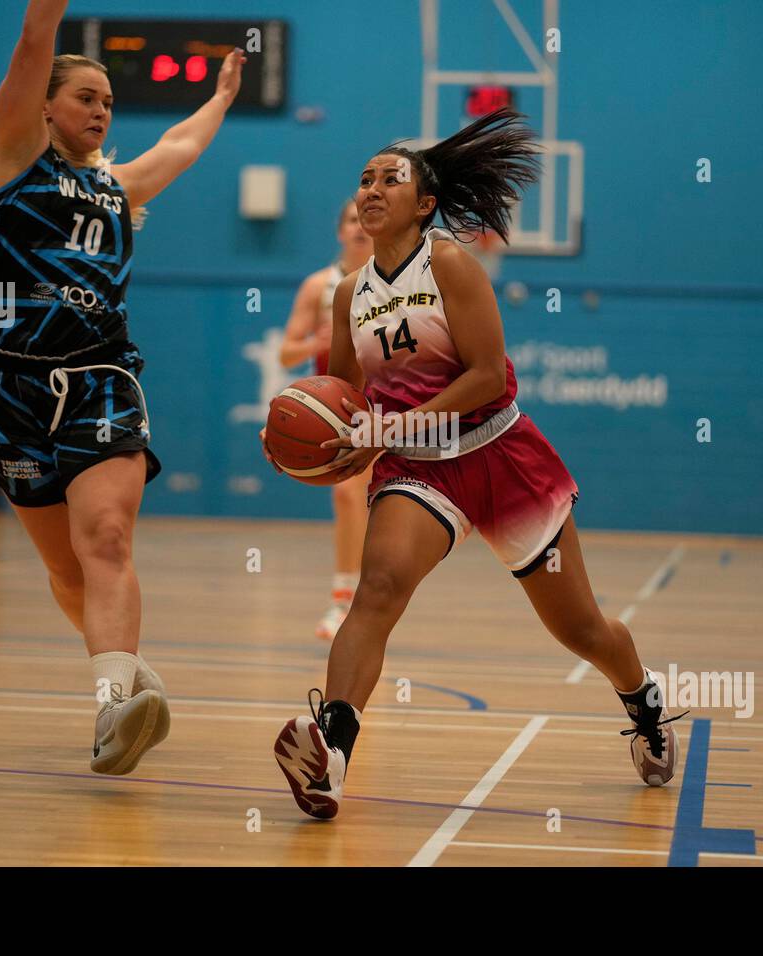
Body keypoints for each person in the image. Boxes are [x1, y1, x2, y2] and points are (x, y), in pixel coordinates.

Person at [266, 108, 684, 819]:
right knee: (377, 590)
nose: (370, 189)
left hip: (500, 455)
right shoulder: (348, 295)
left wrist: (387, 423)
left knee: (580, 629)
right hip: (419, 471)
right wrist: (334, 443)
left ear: (424, 203)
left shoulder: (450, 262)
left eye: (388, 179)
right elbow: (347, 398)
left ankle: (641, 698)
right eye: (364, 179)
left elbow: (489, 375)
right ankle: (332, 752)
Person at [0, 0, 244, 773]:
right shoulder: (16, 159)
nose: (100, 110)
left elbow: (180, 145)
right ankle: (126, 673)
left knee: (107, 539)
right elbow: (33, 40)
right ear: (47, 107)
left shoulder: (119, 189)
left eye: (108, 102)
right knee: (63, 568)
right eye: (86, 97)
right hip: (6, 389)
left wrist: (222, 97)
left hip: (99, 379)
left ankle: (110, 711)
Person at [278, 200, 373, 639]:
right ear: (340, 231)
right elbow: (286, 352)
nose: (359, 227)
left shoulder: (398, 284)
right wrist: (314, 340)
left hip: (392, 404)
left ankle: (371, 598)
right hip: (341, 410)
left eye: (365, 220)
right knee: (348, 496)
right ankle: (343, 600)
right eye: (351, 220)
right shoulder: (319, 286)